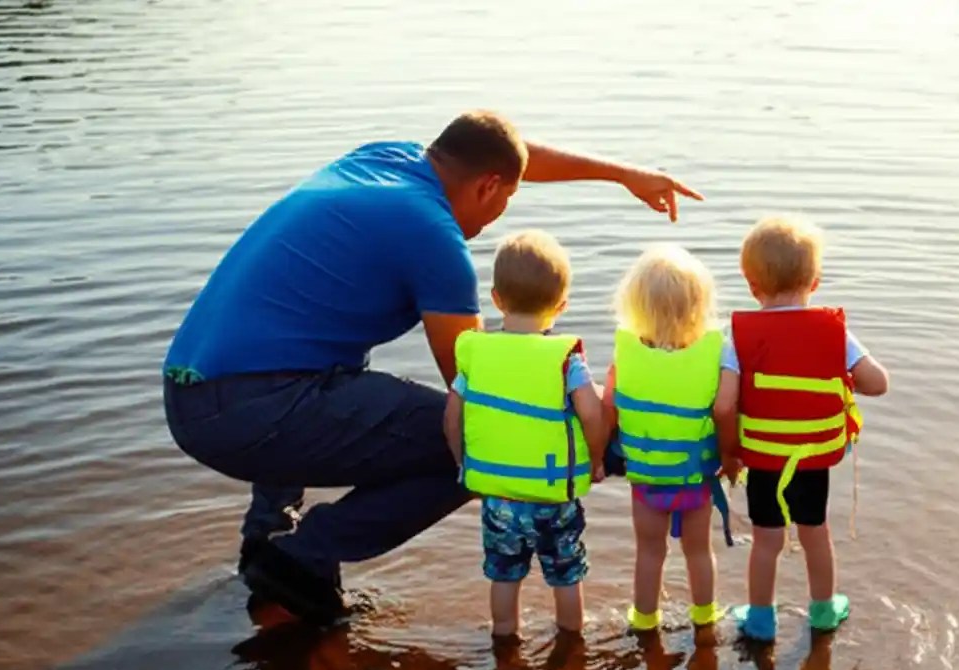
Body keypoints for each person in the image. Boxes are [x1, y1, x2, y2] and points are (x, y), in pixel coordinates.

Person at [161, 110, 700, 625]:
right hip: (249, 410)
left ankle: (268, 541)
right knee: (474, 442)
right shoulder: (434, 239)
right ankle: (302, 557)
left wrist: (622, 174)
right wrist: (627, 443)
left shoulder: (388, 159)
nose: (494, 221)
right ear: (488, 186)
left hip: (198, 389)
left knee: (329, 349)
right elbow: (493, 403)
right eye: (503, 202)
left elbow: (509, 153)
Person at [727, 216, 890, 642]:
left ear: (751, 284)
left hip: (763, 459)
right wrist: (835, 377)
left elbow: (724, 403)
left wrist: (728, 452)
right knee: (815, 534)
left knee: (766, 541)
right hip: (811, 458)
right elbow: (878, 383)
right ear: (814, 282)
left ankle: (761, 619)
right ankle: (823, 611)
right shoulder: (835, 333)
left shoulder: (736, 336)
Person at [442, 231, 607, 637]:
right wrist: (598, 458)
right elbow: (590, 412)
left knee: (503, 574)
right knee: (565, 573)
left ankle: (504, 635)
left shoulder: (477, 355)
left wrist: (463, 462)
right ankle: (570, 638)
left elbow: (452, 416)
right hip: (552, 496)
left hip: (499, 496)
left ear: (496, 299)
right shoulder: (566, 360)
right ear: (561, 306)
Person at [600, 245, 741, 633]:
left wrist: (599, 456)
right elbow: (726, 409)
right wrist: (732, 458)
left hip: (646, 477)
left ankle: (644, 620)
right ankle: (705, 617)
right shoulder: (717, 351)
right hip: (696, 475)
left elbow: (609, 405)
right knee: (698, 551)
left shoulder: (626, 351)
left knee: (649, 552)